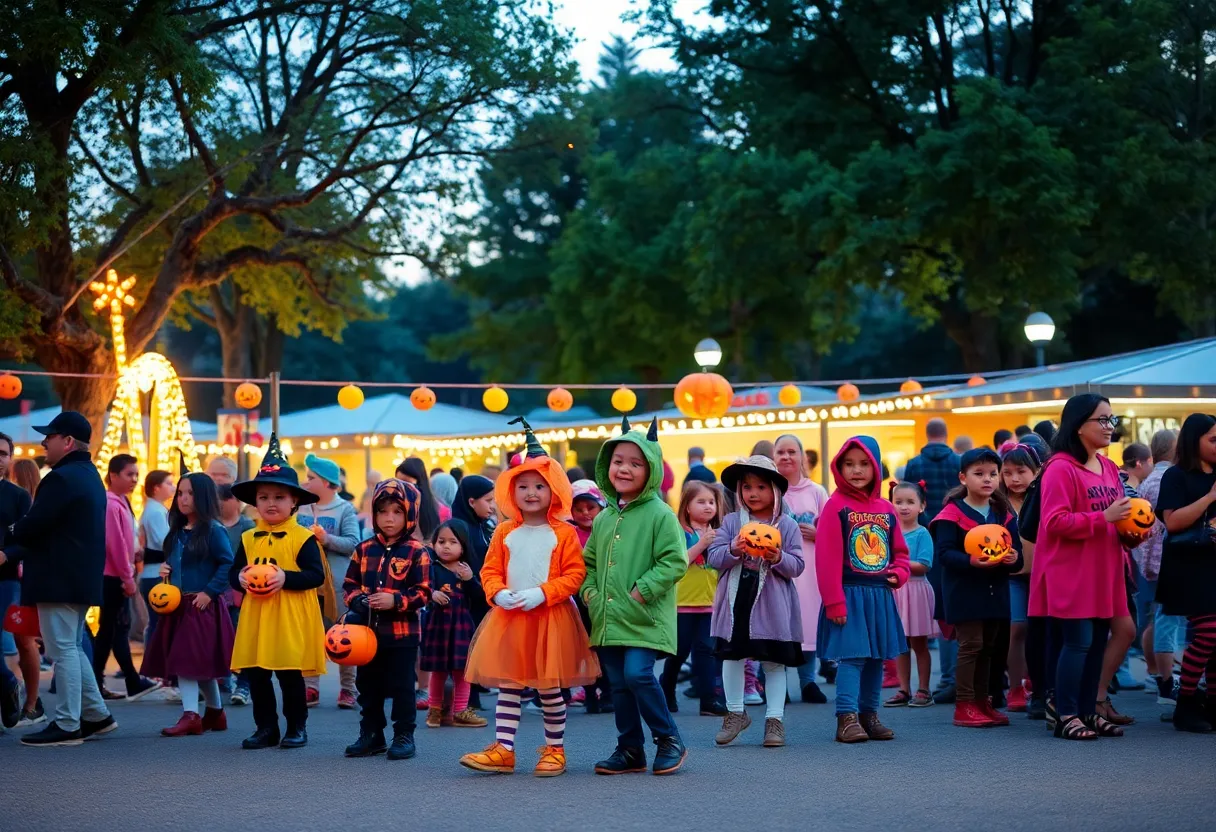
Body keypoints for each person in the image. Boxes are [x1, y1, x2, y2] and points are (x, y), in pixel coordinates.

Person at [459, 420, 599, 777]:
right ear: (511, 491)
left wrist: (542, 593)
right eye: (523, 486)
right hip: (510, 618)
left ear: (555, 491)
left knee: (549, 689)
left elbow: (574, 575)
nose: (532, 492)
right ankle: (504, 749)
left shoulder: (564, 532)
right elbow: (490, 570)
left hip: (550, 619)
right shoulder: (505, 531)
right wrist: (497, 593)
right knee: (509, 686)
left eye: (540, 486)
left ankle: (554, 749)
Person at [1, 412, 116, 747]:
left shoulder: (61, 478)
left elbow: (34, 524)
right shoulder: (88, 474)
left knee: (62, 648)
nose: (43, 442)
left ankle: (67, 724)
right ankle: (96, 715)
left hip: (58, 575)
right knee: (72, 646)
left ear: (66, 442)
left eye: (49, 437)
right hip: (77, 577)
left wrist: (11, 531)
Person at [581, 417, 688, 776]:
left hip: (645, 615)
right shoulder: (603, 517)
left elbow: (675, 561)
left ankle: (668, 738)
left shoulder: (660, 514)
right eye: (618, 461)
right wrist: (591, 593)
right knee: (618, 684)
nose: (624, 468)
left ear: (652, 470)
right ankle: (630, 749)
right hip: (608, 616)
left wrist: (643, 591)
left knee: (638, 675)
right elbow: (590, 562)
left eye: (635, 463)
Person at [1029, 394, 1130, 740]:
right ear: (1079, 425)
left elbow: (1120, 517)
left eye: (1111, 419)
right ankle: (1065, 714)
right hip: (1069, 570)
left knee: (1098, 642)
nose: (1109, 427)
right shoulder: (1059, 468)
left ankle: (1088, 711)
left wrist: (1133, 533)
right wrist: (1104, 518)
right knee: (1078, 642)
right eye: (1102, 420)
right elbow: (1054, 522)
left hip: (1105, 568)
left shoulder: (1110, 467)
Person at [228, 434, 328, 750]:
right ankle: (265, 727)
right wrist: (240, 578)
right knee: (257, 675)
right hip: (257, 616)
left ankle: (296, 727)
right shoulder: (249, 537)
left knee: (288, 675)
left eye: (279, 497)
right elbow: (234, 572)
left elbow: (315, 576)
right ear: (255, 502)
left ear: (294, 501)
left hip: (289, 616)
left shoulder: (303, 537)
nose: (271, 503)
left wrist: (286, 578)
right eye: (264, 497)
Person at [816, 436, 909, 743]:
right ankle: (847, 717)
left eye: (864, 463)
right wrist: (834, 603)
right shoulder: (835, 506)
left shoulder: (886, 508)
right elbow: (826, 558)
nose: (856, 470)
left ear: (875, 467)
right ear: (839, 467)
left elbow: (901, 553)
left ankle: (869, 714)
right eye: (849, 463)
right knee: (853, 657)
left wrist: (899, 572)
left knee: (876, 658)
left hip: (879, 595)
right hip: (849, 593)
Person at [708, 455, 805, 749]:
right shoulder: (730, 522)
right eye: (747, 487)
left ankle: (774, 720)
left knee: (774, 662)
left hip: (772, 603)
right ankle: (735, 712)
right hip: (737, 600)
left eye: (761, 487)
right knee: (732, 656)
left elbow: (798, 565)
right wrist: (732, 550)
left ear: (775, 490)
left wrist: (778, 558)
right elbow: (713, 558)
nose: (753, 493)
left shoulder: (787, 525)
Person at [931, 448, 1024, 728]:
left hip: (996, 592)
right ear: (963, 477)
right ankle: (965, 704)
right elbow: (945, 554)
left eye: (993, 474)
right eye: (979, 474)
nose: (988, 480)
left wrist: (1013, 558)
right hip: (965, 592)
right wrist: (971, 561)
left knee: (991, 648)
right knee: (971, 646)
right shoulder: (951, 514)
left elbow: (1015, 548)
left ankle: (984, 701)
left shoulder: (1003, 513)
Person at [342, 479, 434, 760]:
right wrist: (358, 600)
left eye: (397, 512)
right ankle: (371, 734)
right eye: (383, 512)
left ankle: (404, 735)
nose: (389, 518)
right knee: (368, 686)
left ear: (410, 515)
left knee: (403, 687)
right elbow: (349, 585)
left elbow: (424, 593)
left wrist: (396, 600)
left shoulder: (417, 551)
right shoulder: (364, 549)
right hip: (367, 635)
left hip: (402, 636)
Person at [143, 473, 235, 737]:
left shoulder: (214, 531)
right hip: (178, 606)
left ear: (204, 497)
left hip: (201, 605)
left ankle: (191, 715)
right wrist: (165, 570)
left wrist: (209, 592)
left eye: (191, 494)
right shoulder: (175, 534)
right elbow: (175, 563)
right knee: (196, 663)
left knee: (188, 662)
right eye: (180, 493)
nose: (183, 499)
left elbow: (226, 563)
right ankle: (216, 713)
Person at [1154, 413, 1216, 732]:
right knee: (1209, 633)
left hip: (1212, 565)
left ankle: (1211, 704)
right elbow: (1173, 521)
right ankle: (1186, 702)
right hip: (1189, 568)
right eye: (1213, 439)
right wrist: (1210, 497)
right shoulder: (1176, 476)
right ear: (1195, 441)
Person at [94, 454, 160, 702]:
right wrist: (127, 577)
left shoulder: (120, 501)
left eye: (136, 474)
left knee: (114, 629)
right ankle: (114, 680)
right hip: (113, 576)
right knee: (110, 629)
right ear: (113, 475)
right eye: (129, 474)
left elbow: (124, 543)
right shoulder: (111, 503)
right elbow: (116, 545)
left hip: (117, 574)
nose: (134, 479)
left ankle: (123, 680)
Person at [904, 417, 961, 702]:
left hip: (921, 534)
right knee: (949, 606)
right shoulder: (958, 462)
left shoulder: (914, 464)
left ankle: (944, 679)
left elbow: (910, 498)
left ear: (927, 435)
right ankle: (952, 677)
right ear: (946, 434)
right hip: (955, 537)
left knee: (936, 604)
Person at [297, 453, 359, 709]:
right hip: (308, 582)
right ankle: (310, 687)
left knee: (343, 635)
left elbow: (353, 543)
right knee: (310, 635)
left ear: (327, 483)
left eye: (311, 478)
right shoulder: (299, 507)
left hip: (337, 584)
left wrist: (327, 540)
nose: (306, 481)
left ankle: (348, 689)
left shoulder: (344, 509)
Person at [660, 481, 725, 717]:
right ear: (687, 506)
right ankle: (666, 688)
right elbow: (680, 561)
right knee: (678, 652)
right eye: (701, 501)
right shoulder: (679, 532)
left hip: (709, 603)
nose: (708, 507)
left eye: (711, 502)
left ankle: (708, 700)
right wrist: (702, 543)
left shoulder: (718, 532)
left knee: (706, 651)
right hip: (682, 604)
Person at [774, 434, 829, 704]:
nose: (786, 457)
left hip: (809, 568)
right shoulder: (768, 489)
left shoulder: (816, 491)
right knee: (778, 623)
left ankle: (808, 681)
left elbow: (833, 530)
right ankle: (777, 683)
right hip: (776, 565)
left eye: (791, 452)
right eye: (780, 452)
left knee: (808, 622)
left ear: (801, 457)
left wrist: (819, 534)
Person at [420, 519, 486, 729]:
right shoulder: (431, 568)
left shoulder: (465, 570)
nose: (446, 546)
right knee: (438, 672)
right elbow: (421, 590)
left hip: (461, 627)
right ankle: (435, 711)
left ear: (463, 546)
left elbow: (479, 597)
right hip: (438, 626)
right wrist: (432, 593)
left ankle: (459, 711)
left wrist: (469, 579)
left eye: (452, 542)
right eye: (441, 541)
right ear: (433, 544)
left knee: (462, 671)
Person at [1134, 429, 1181, 719]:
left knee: (1155, 619)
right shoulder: (1170, 479)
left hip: (1146, 561)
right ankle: (1166, 682)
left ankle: (1155, 673)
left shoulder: (1148, 481)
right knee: (1169, 620)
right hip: (1167, 560)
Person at [997, 440, 1042, 715]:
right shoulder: (999, 503)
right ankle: (1014, 686)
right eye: (1008, 472)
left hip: (1041, 573)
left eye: (1021, 471)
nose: (1014, 478)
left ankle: (1036, 682)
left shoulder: (1043, 497)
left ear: (1035, 471)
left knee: (1039, 631)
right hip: (1011, 575)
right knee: (1016, 629)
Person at [884, 482, 936, 708]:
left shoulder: (923, 533)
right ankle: (903, 689)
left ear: (921, 506)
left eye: (910, 502)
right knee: (900, 644)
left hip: (915, 590)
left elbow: (925, 564)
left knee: (919, 643)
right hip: (896, 592)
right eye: (898, 502)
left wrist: (898, 564)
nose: (904, 507)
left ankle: (924, 689)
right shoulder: (887, 532)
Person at [449, 472, 497, 711]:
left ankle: (474, 692)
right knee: (466, 647)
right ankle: (464, 700)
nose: (492, 505)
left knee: (479, 645)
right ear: (471, 501)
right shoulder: (458, 528)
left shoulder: (482, 526)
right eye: (487, 500)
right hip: (464, 597)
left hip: (482, 593)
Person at [569, 479, 613, 714]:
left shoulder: (608, 530)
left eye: (591, 507)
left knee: (604, 645)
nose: (585, 513)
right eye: (579, 508)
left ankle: (607, 692)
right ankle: (588, 693)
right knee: (583, 647)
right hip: (575, 598)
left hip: (603, 596)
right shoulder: (567, 533)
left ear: (601, 507)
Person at [6, 455, 44, 725]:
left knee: (25, 640)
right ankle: (29, 700)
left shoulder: (21, 499)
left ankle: (32, 703)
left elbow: (30, 541)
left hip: (20, 577)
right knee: (24, 641)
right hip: (24, 576)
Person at [0, 431, 32, 729]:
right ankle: (8, 681)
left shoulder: (18, 496)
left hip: (6, 579)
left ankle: (9, 684)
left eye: (3, 453)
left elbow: (29, 540)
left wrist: (6, 554)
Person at [217, 484, 254, 705]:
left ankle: (244, 684)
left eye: (223, 499)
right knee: (221, 637)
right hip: (216, 590)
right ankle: (223, 678)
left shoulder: (247, 527)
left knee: (243, 637)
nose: (220, 504)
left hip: (241, 590)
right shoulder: (212, 526)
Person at [138, 471, 175, 646]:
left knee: (158, 622)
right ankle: (154, 666)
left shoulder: (157, 510)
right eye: (168, 483)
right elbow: (165, 542)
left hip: (154, 573)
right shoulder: (155, 512)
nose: (173, 487)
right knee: (158, 623)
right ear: (156, 488)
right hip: (155, 575)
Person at [396, 457, 443, 538]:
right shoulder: (393, 507)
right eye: (398, 483)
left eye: (407, 484)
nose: (402, 488)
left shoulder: (439, 509)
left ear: (419, 483)